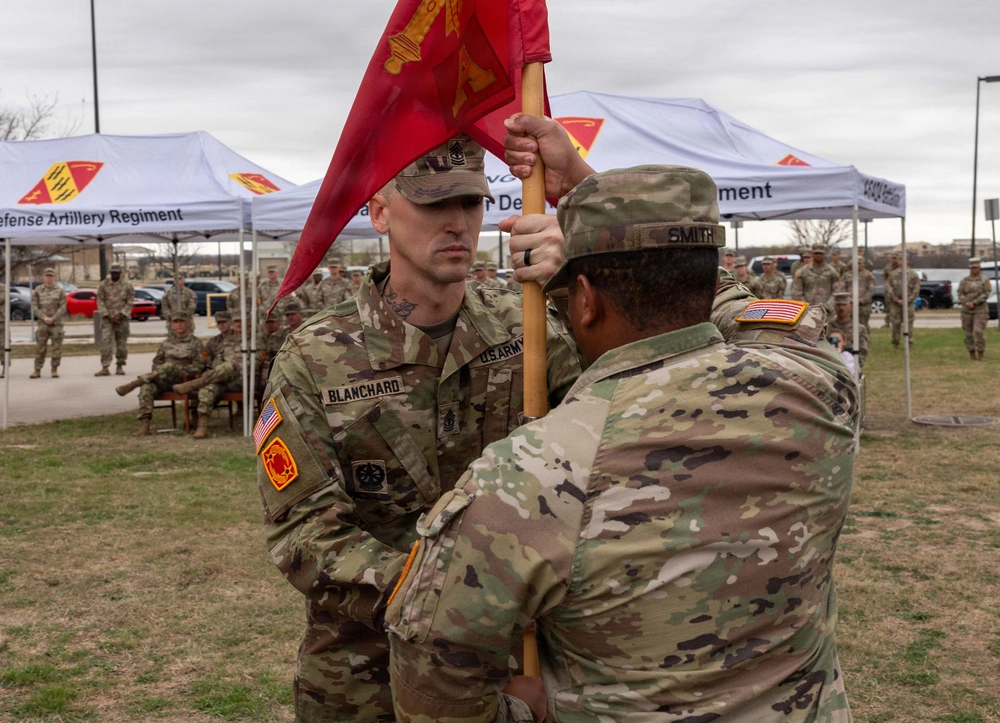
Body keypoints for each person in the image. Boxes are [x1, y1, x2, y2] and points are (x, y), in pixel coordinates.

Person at [387, 154, 858, 723]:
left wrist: (518, 714)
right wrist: (590, 186)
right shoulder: (819, 389)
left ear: (583, 299)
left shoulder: (533, 470)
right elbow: (765, 317)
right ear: (708, 276)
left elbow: (432, 685)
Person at [254, 135, 584, 722]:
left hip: (517, 672)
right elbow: (304, 536)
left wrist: (581, 268)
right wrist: (463, 600)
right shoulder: (316, 357)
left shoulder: (531, 329)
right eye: (433, 204)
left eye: (471, 203)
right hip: (365, 681)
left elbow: (625, 426)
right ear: (380, 211)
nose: (458, 222)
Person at [116, 314, 207, 436]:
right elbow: (157, 362)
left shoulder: (196, 343)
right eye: (176, 322)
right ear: (172, 325)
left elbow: (199, 367)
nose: (179, 324)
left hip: (184, 380)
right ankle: (144, 426)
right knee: (147, 387)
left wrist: (178, 369)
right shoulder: (166, 343)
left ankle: (135, 383)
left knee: (169, 365)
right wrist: (161, 370)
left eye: (182, 321)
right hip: (163, 379)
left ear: (188, 323)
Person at [173, 316, 244, 439]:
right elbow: (215, 360)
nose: (239, 325)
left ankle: (195, 383)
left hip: (240, 380)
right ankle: (202, 426)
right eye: (237, 322)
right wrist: (213, 371)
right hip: (220, 379)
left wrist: (227, 368)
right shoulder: (225, 342)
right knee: (208, 389)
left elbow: (253, 363)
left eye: (241, 322)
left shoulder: (252, 341)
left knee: (229, 367)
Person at [95, 264, 134, 376]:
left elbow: (130, 301)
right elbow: (100, 301)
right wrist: (107, 315)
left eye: (116, 272)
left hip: (122, 320)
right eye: (112, 272)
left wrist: (121, 315)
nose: (114, 274)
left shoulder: (127, 285)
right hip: (107, 320)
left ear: (120, 273)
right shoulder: (103, 285)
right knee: (105, 343)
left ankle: (120, 366)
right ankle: (105, 367)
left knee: (121, 345)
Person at [30, 268, 66, 378]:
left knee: (56, 348)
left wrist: (53, 318)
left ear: (54, 277)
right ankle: (37, 370)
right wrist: (43, 317)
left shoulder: (59, 290)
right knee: (40, 348)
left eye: (51, 276)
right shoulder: (38, 290)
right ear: (44, 277)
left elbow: (63, 306)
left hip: (56, 324)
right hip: (43, 324)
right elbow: (34, 306)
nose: (49, 278)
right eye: (47, 275)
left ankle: (54, 369)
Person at [958, 257, 992, 361]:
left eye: (976, 268)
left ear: (979, 268)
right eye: (972, 268)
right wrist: (966, 302)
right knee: (968, 332)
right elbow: (960, 293)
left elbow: (986, 293)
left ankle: (980, 353)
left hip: (980, 310)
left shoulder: (984, 280)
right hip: (966, 310)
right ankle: (971, 352)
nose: (974, 270)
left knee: (978, 331)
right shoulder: (964, 280)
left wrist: (975, 302)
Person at [884, 250, 919, 349]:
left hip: (908, 304)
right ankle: (896, 343)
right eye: (900, 260)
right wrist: (896, 299)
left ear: (907, 261)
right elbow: (888, 288)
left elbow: (916, 289)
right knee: (895, 324)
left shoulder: (913, 274)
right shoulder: (893, 274)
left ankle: (909, 343)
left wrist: (908, 300)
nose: (901, 262)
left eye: (904, 260)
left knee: (909, 324)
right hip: (895, 304)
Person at [828, 290, 869, 372]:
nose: (841, 308)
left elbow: (863, 352)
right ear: (834, 307)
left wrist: (854, 367)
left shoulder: (859, 329)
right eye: (838, 305)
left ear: (850, 306)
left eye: (844, 305)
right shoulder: (827, 327)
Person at [791, 242, 841, 309]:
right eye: (816, 253)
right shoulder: (803, 272)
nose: (818, 255)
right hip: (807, 311)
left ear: (824, 254)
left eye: (820, 253)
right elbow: (796, 292)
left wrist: (828, 305)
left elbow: (837, 291)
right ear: (812, 254)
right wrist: (806, 306)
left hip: (827, 311)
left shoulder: (832, 271)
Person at [839, 253, 877, 330]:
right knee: (849, 325)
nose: (858, 265)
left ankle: (864, 341)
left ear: (863, 264)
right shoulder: (846, 275)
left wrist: (862, 300)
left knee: (863, 326)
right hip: (850, 305)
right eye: (856, 263)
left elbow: (871, 289)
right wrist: (849, 300)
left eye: (860, 263)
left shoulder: (868, 275)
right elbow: (842, 288)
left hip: (863, 306)